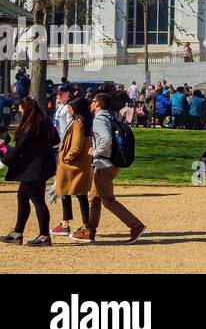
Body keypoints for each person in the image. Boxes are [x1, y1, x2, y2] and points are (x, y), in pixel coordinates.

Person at [71, 91, 145, 243]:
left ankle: (136, 226)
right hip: (108, 164)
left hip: (104, 165)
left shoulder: (99, 119)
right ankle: (89, 231)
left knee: (108, 201)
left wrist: (95, 152)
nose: (91, 104)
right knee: (94, 198)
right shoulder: (110, 116)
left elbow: (106, 140)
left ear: (98, 104)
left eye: (92, 101)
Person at [1, 96, 58, 246]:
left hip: (34, 169)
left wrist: (4, 159)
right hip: (40, 167)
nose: (19, 111)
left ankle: (45, 236)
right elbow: (55, 141)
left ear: (25, 109)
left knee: (38, 200)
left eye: (20, 108)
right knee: (22, 197)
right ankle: (17, 233)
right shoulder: (44, 122)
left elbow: (20, 148)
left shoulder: (30, 126)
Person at [52, 97, 94, 238]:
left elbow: (76, 146)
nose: (68, 109)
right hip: (81, 164)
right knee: (78, 194)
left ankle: (73, 225)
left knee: (66, 192)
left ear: (76, 109)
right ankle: (83, 225)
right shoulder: (85, 122)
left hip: (72, 165)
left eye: (70, 107)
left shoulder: (78, 123)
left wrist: (66, 158)